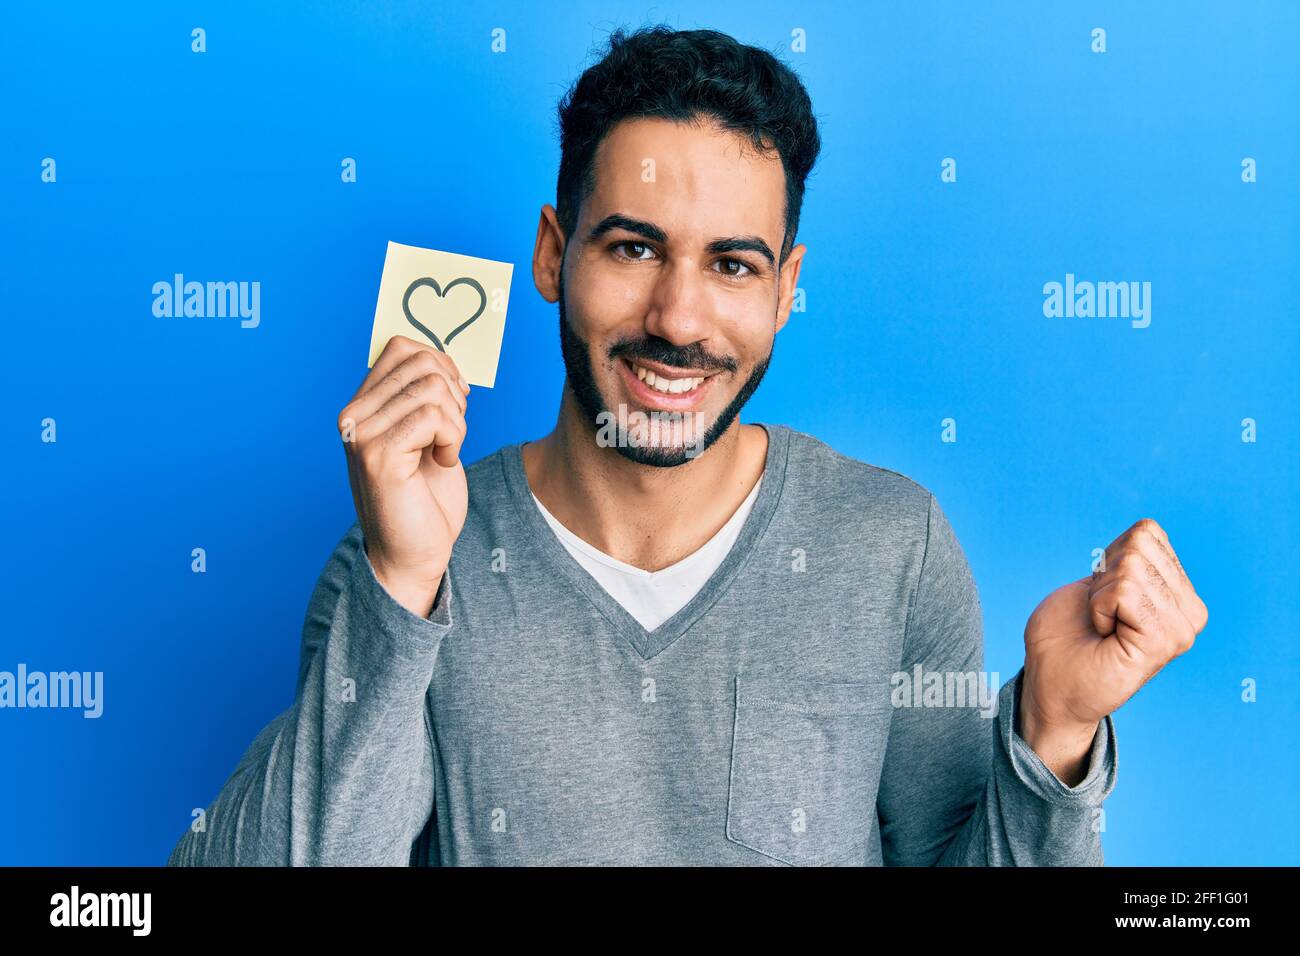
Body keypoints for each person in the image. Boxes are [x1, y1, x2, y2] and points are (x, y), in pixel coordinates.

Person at [168, 25, 1207, 867]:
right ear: (551, 253)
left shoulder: (889, 544)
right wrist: (400, 582)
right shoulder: (403, 558)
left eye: (733, 266)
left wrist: (1055, 732)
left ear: (786, 288)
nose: (678, 316)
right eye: (631, 247)